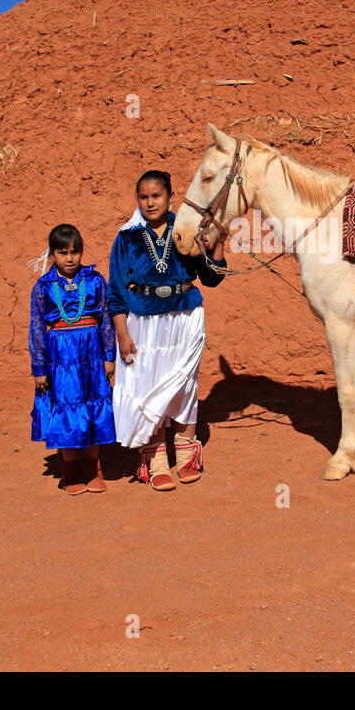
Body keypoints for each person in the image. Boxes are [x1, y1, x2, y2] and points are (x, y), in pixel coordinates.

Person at [109, 170, 227, 491]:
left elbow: (212, 278)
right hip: (143, 321)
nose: (150, 203)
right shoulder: (127, 236)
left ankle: (187, 447)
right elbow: (116, 292)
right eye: (144, 197)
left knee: (183, 382)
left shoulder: (186, 229)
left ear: (170, 197)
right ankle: (156, 453)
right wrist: (122, 334)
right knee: (147, 383)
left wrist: (218, 242)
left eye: (156, 196)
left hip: (185, 315)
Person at [29, 224, 117, 495]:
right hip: (60, 358)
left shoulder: (95, 280)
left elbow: (106, 319)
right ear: (52, 254)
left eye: (75, 251)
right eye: (62, 252)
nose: (70, 258)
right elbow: (36, 328)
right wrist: (39, 367)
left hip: (91, 353)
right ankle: (70, 470)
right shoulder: (43, 287)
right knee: (67, 406)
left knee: (92, 405)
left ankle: (93, 468)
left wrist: (109, 356)